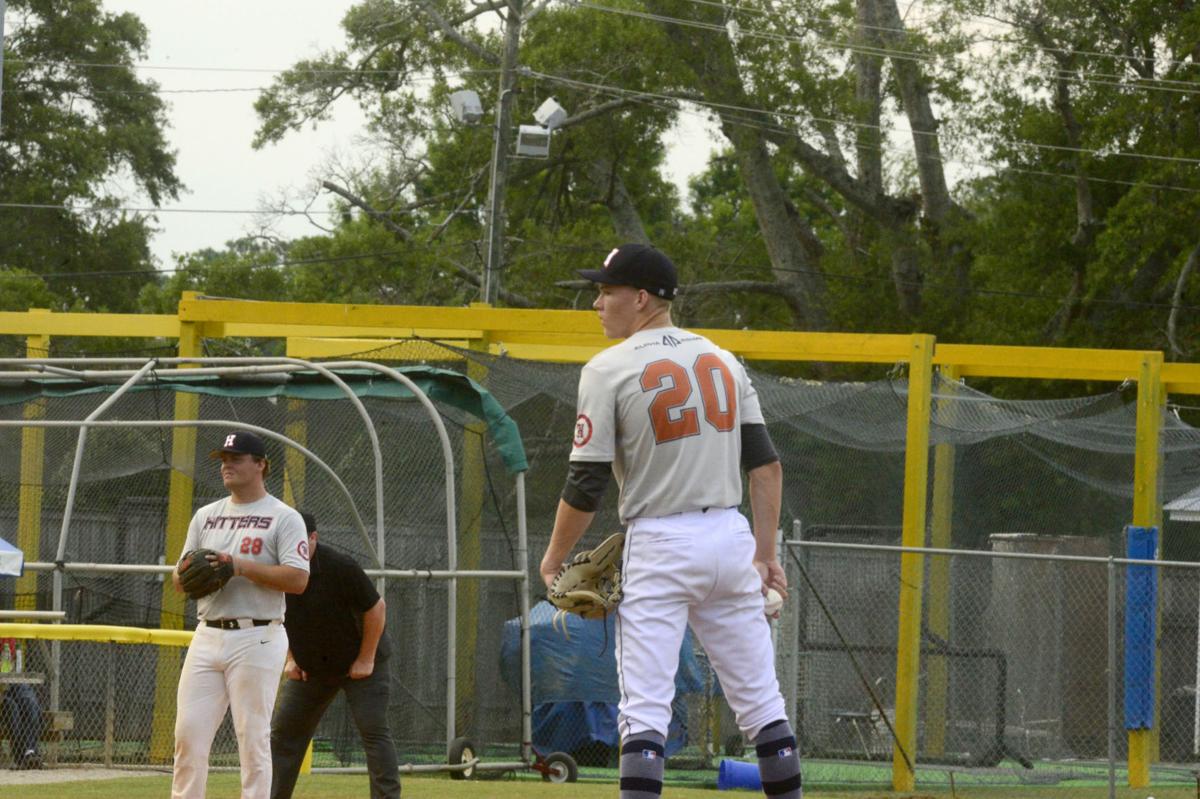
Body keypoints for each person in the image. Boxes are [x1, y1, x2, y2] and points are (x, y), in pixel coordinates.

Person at [539, 244, 802, 799]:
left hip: (659, 540)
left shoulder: (608, 368)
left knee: (644, 712)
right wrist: (765, 555)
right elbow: (767, 466)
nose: (597, 304)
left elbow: (585, 485)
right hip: (730, 538)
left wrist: (555, 556)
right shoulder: (725, 361)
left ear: (640, 299)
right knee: (762, 706)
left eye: (606, 291)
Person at [172, 430, 310, 799]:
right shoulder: (207, 515)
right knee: (188, 737)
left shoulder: (284, 517)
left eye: (236, 458)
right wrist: (189, 573)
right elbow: (178, 578)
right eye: (223, 459)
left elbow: (298, 579)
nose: (226, 465)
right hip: (207, 633)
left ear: (261, 465)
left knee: (252, 740)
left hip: (258, 634)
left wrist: (238, 567)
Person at [270, 511, 399, 799]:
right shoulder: (278, 569)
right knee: (283, 735)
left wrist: (366, 659)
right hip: (312, 668)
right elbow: (277, 615)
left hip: (361, 664)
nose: (290, 546)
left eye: (298, 539)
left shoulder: (339, 566)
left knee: (373, 731)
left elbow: (376, 609)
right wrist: (292, 658)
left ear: (313, 538)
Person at [0, 638, 42, 770]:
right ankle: (20, 758)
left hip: (10, 681)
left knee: (29, 702)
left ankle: (30, 752)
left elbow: (11, 663)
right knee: (13, 708)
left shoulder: (8, 633)